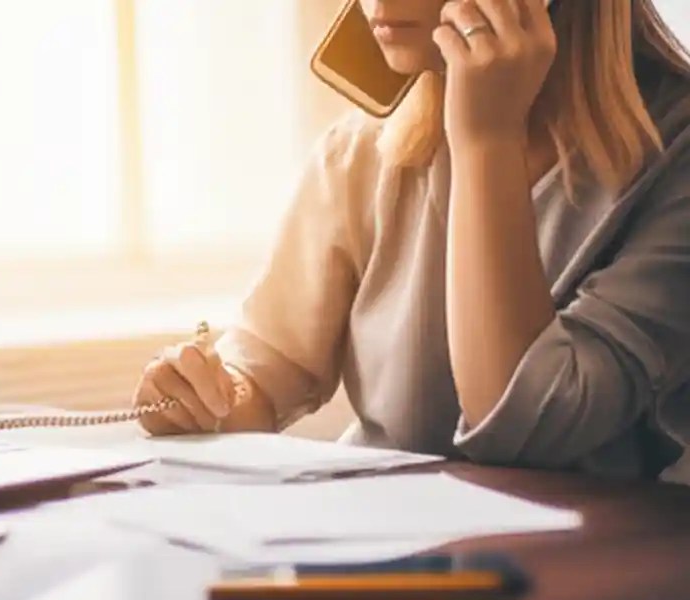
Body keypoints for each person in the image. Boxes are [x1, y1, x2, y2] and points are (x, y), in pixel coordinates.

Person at [133, 0, 690, 483]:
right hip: (380, 569)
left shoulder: (676, 158)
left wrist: (486, 140)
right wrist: (204, 398)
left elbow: (526, 425)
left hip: (593, 585)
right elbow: (264, 369)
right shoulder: (361, 152)